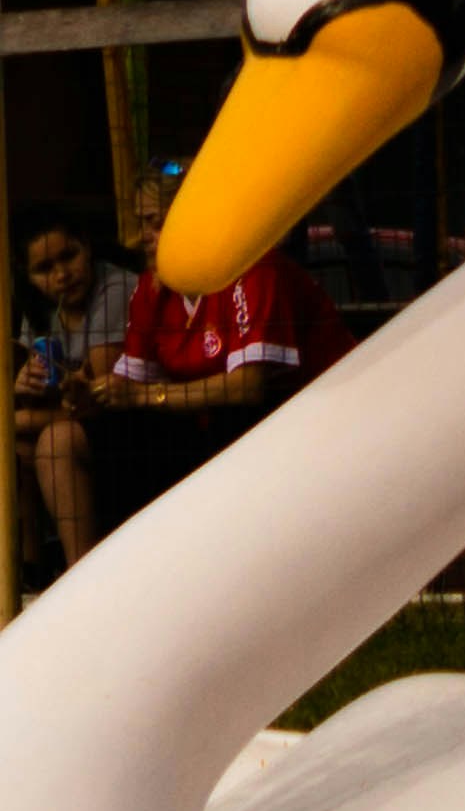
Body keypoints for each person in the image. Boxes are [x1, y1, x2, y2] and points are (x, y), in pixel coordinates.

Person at [85, 161, 332, 528]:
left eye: (158, 222)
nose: (145, 237)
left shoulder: (252, 267)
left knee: (225, 422)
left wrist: (143, 397)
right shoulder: (151, 288)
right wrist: (88, 392)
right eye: (142, 223)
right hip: (214, 428)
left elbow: (248, 386)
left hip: (308, 420)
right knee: (111, 435)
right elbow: (128, 388)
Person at [13, 212, 133, 569]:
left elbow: (99, 400)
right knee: (17, 450)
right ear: (29, 276)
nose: (61, 275)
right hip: (68, 416)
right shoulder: (40, 309)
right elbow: (38, 385)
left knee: (52, 441)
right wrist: (23, 386)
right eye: (45, 268)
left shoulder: (115, 289)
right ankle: (29, 572)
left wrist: (15, 418)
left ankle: (79, 570)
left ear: (87, 246)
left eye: (69, 256)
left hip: (129, 414)